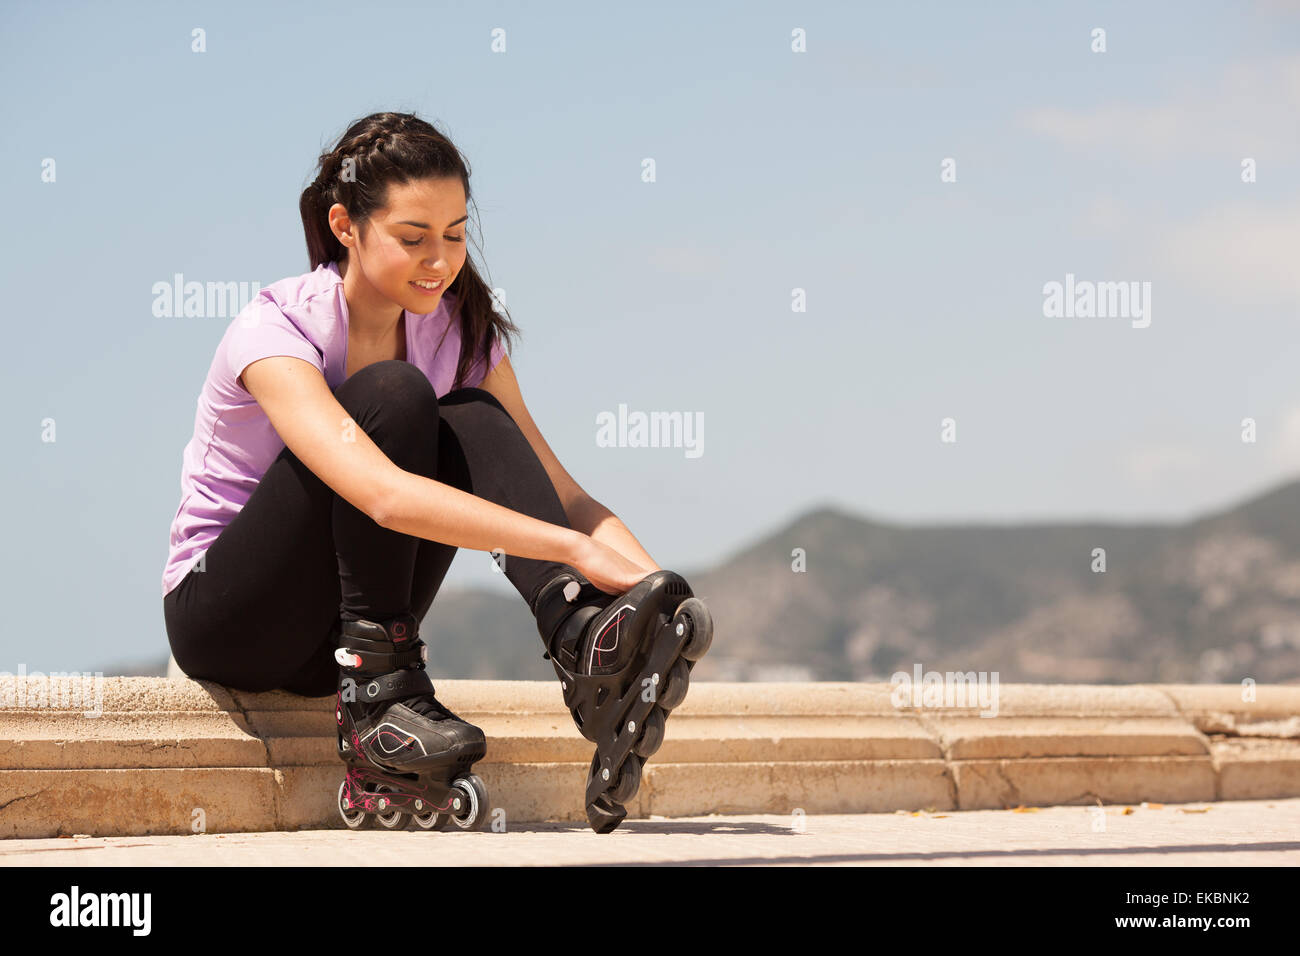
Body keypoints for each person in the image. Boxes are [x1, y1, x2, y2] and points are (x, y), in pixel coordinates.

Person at [161, 111, 706, 833]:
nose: (440, 261)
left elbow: (561, 493)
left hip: (334, 637)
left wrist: (651, 595)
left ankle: (576, 637)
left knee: (474, 414)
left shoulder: (456, 331)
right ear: (346, 227)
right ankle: (379, 705)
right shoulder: (276, 330)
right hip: (229, 622)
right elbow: (382, 496)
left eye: (454, 235)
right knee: (395, 393)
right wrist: (572, 549)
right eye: (413, 238)